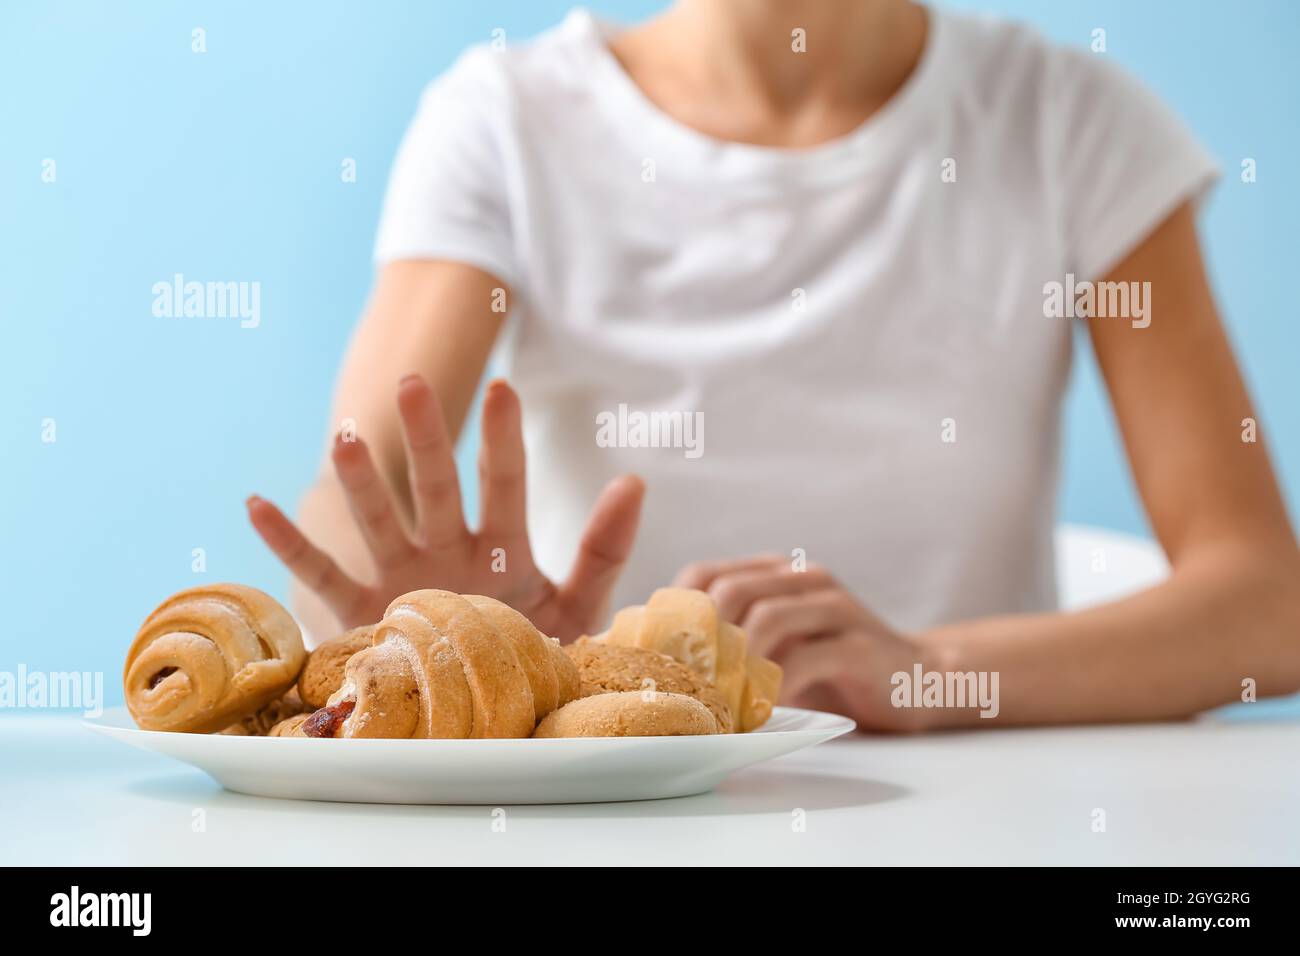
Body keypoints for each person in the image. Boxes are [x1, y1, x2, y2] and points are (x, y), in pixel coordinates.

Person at [246, 0, 1300, 731]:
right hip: (624, 824)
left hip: (979, 820)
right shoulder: (507, 119)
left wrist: (935, 674)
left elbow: (1267, 604)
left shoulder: (1073, 123)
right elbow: (364, 483)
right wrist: (477, 644)